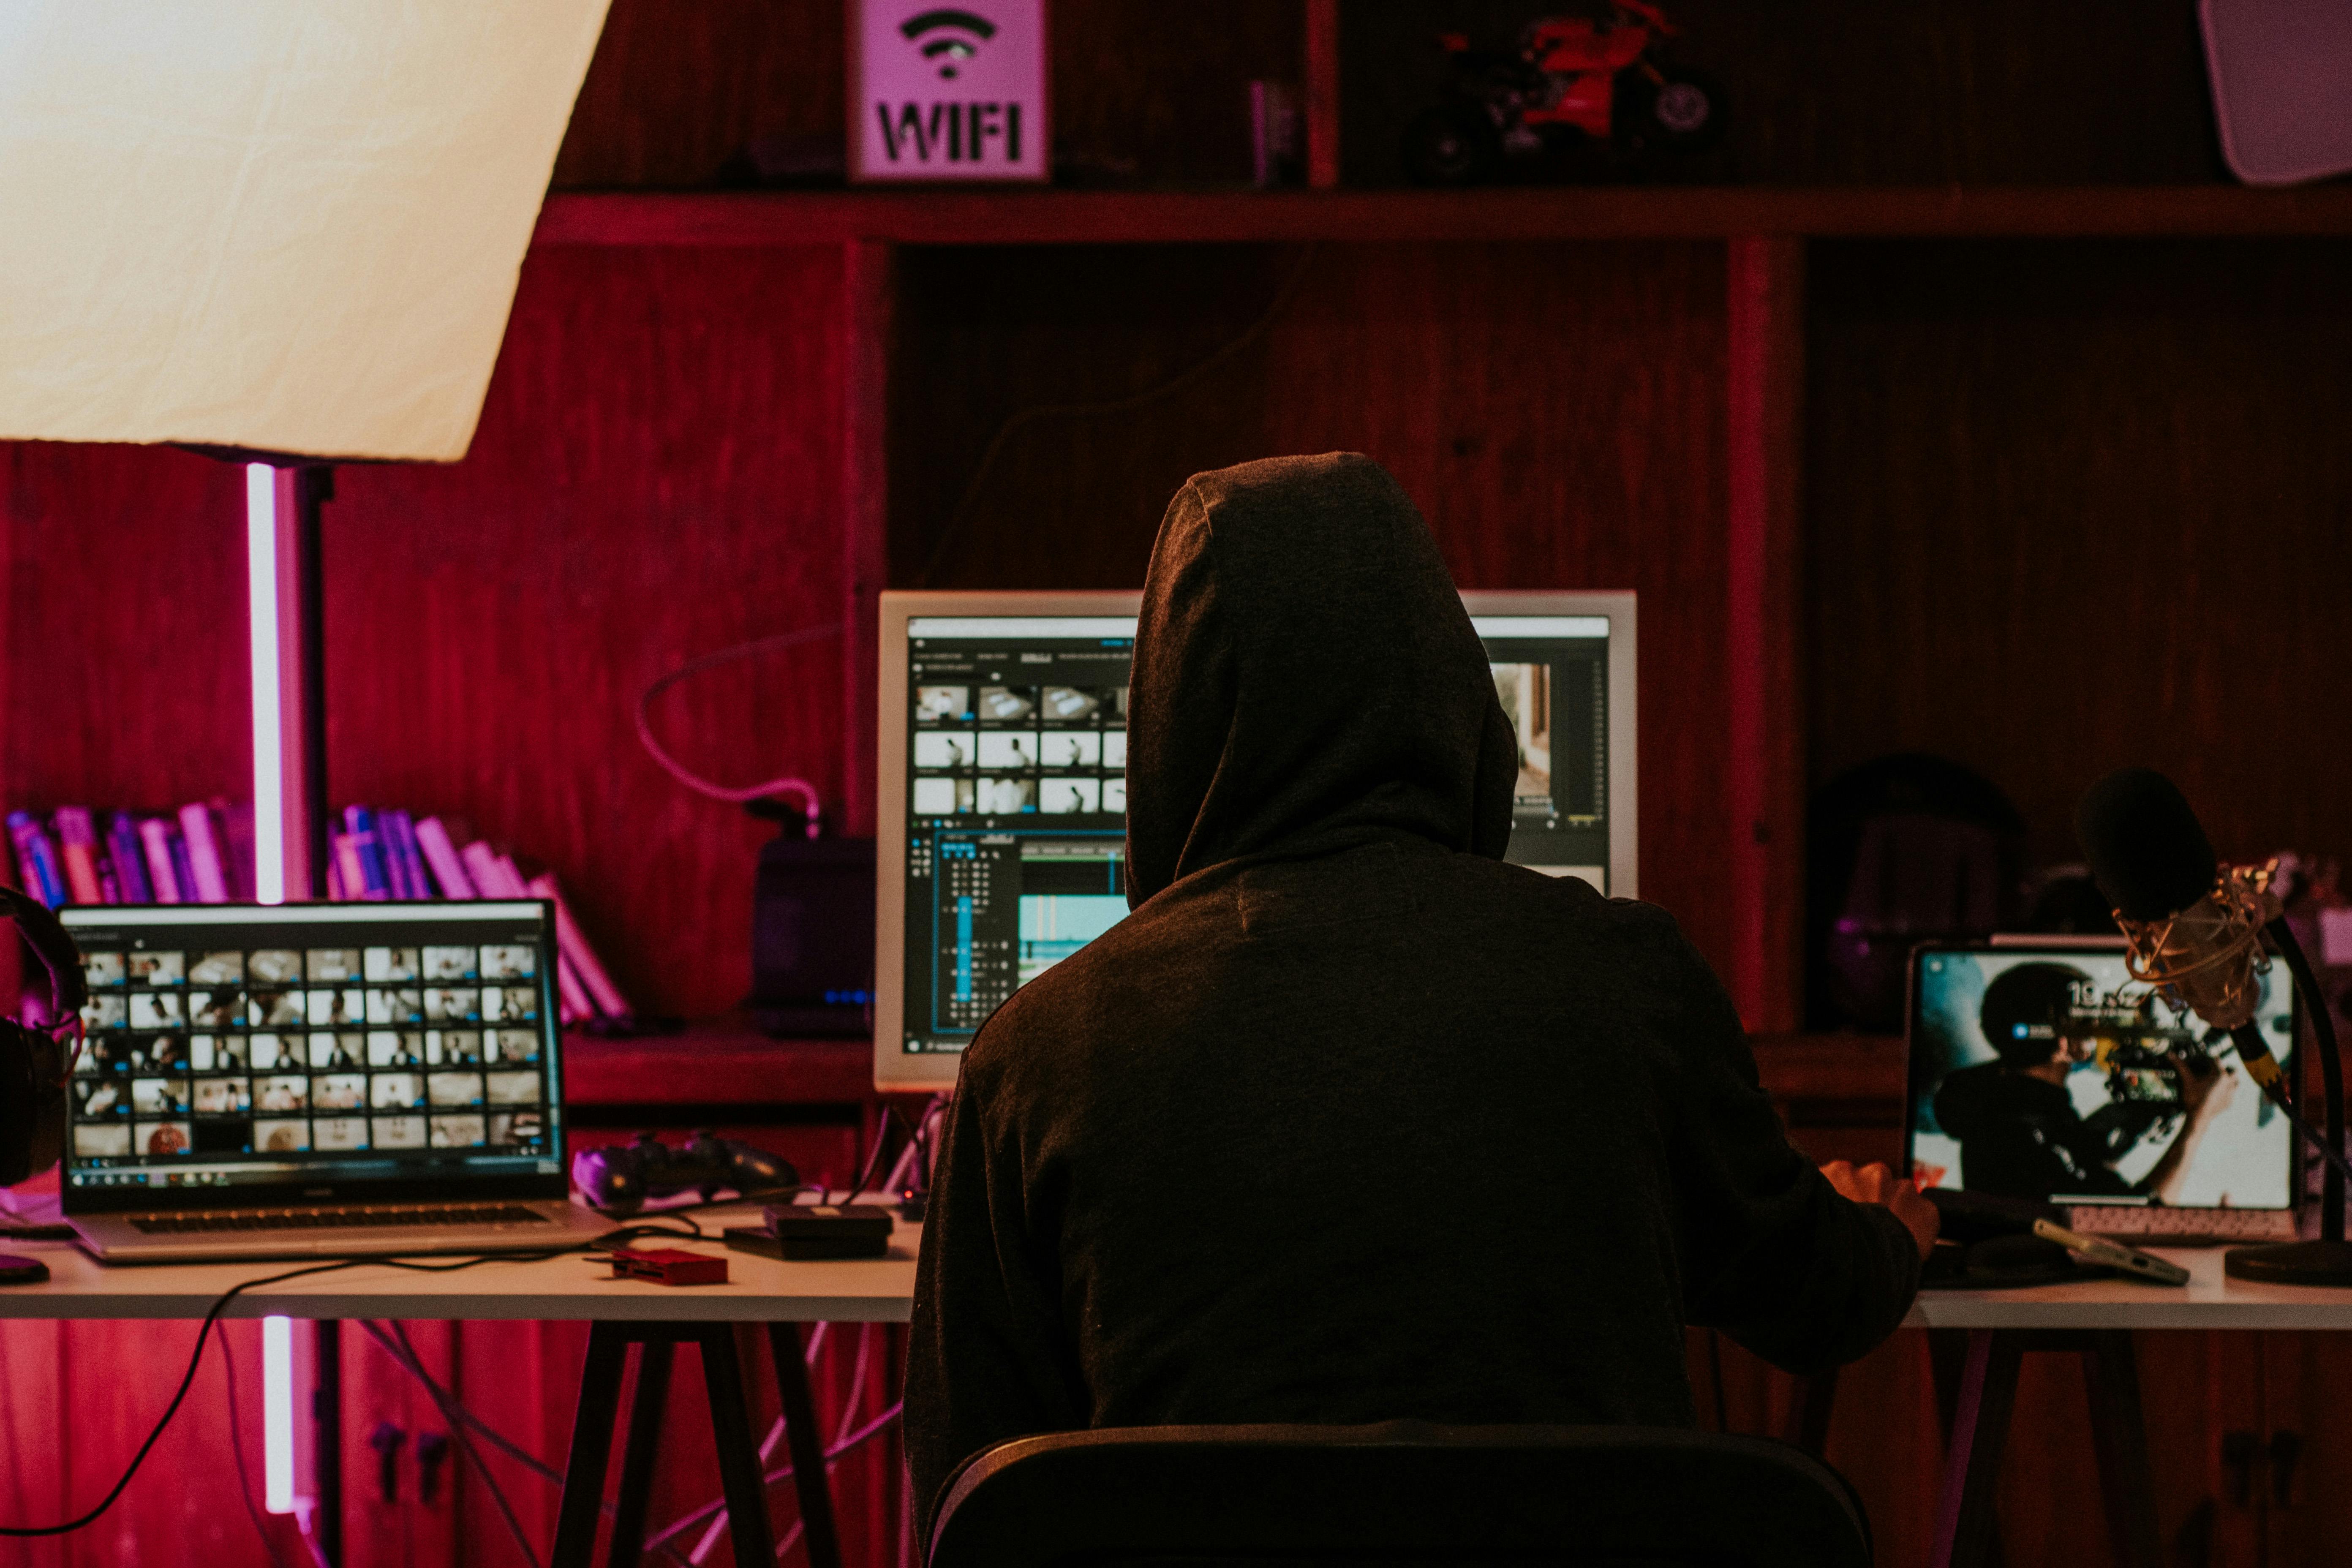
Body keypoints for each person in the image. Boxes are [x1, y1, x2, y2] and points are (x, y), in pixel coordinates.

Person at [904, 453, 1937, 1534]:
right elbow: (1806, 1294)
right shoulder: (1628, 979)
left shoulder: (1036, 1050)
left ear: (1168, 726)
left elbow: (972, 1494)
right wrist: (1884, 1234)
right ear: (1456, 691)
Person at [1932, 962, 2233, 1204]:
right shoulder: (2025, 1130)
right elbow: (2138, 1215)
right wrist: (2200, 1115)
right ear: (2064, 1043)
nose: (2101, 1026)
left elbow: (2090, 1178)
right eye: (2088, 1016)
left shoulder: (2010, 1103)